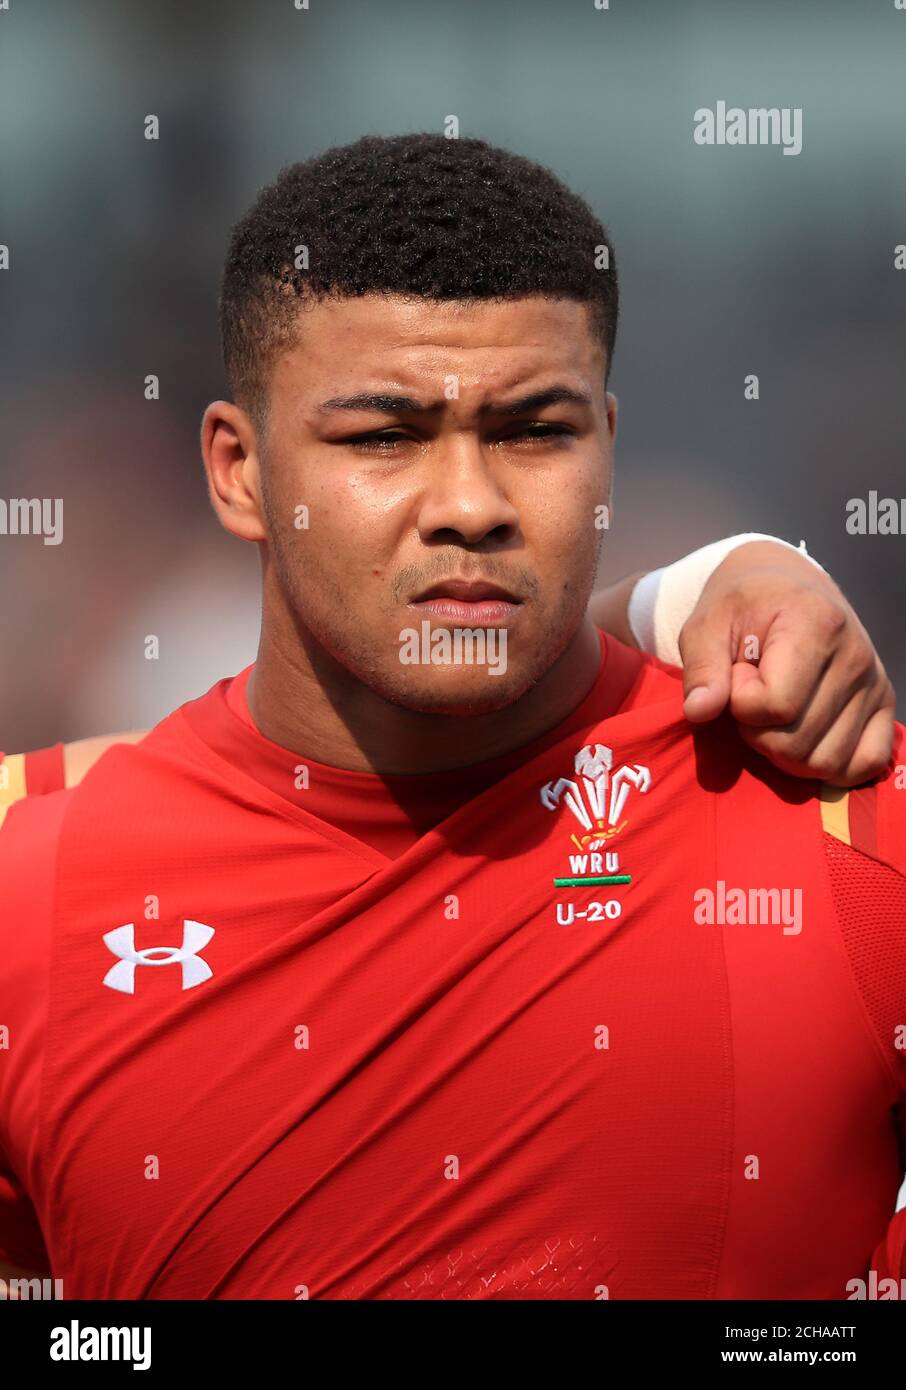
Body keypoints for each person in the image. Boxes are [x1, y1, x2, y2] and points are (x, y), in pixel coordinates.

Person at [0, 133, 902, 1300]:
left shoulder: (848, 828)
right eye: (382, 437)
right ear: (238, 471)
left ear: (608, 451)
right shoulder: (30, 878)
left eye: (534, 431)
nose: (469, 506)